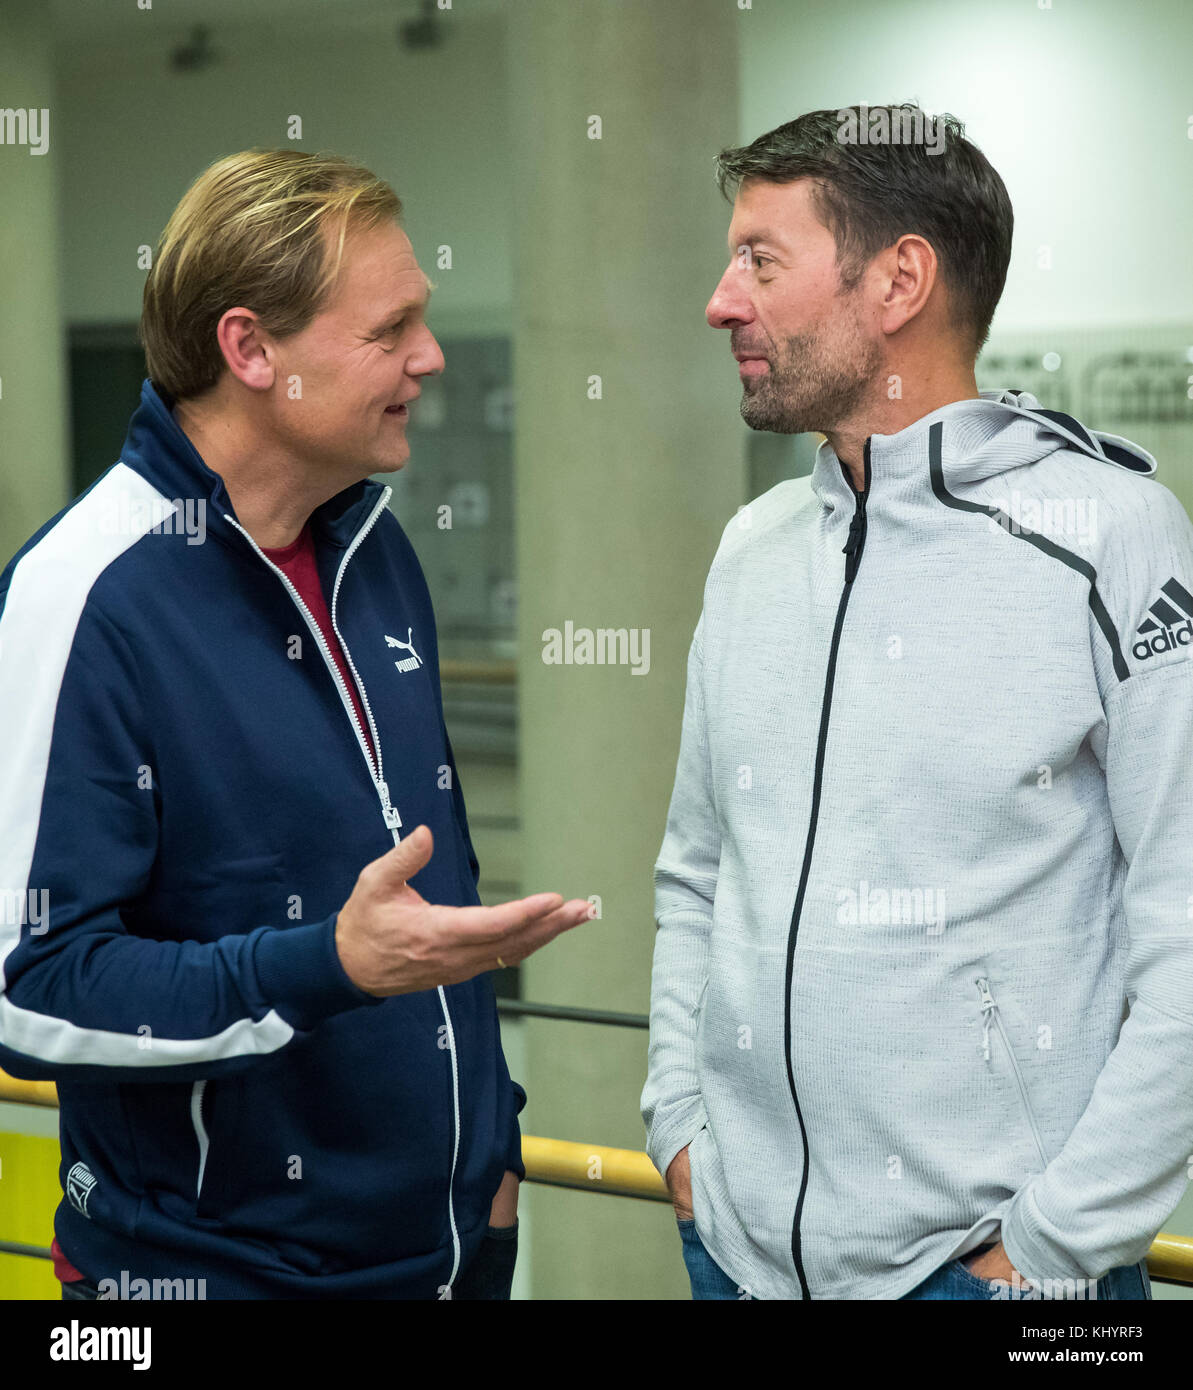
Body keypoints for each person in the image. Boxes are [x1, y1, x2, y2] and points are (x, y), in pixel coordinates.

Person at [0, 148, 593, 1300]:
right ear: (250, 349)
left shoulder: (372, 550)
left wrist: (493, 1150)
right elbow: (31, 986)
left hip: (455, 1255)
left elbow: (428, 896)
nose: (428, 358)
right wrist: (320, 965)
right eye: (391, 330)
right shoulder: (84, 596)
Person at [641, 103, 1191, 1301]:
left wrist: (1043, 1250)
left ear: (898, 281)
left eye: (758, 260)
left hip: (983, 1276)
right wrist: (680, 1131)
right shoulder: (754, 546)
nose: (719, 301)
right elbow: (696, 871)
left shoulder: (1112, 540)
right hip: (733, 1255)